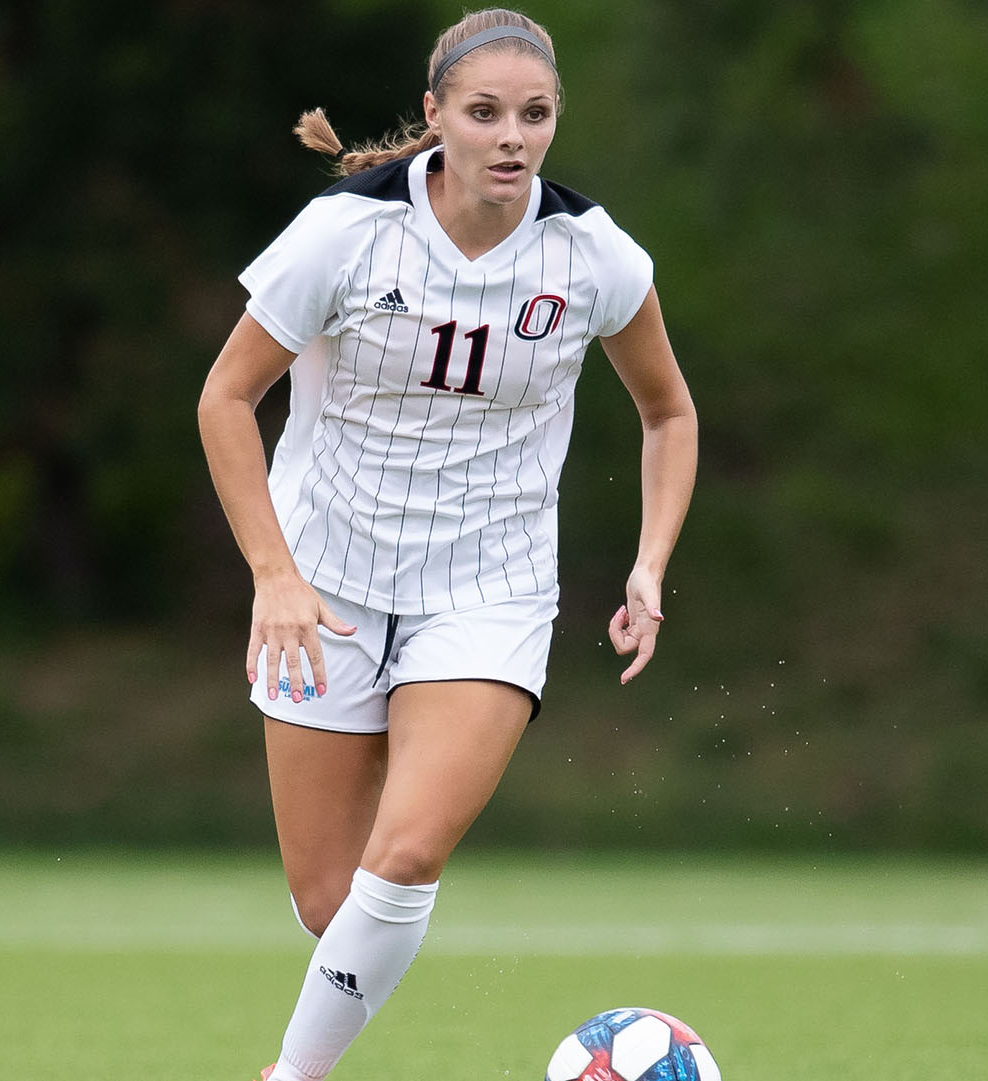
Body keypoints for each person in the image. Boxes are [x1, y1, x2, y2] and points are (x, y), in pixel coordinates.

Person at [196, 8, 696, 1080]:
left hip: (489, 588)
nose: (512, 137)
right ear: (436, 115)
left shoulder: (591, 254)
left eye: (535, 115)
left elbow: (669, 413)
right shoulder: (346, 233)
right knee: (330, 902)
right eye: (485, 113)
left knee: (411, 850)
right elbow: (225, 399)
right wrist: (274, 575)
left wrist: (649, 561)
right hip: (324, 584)